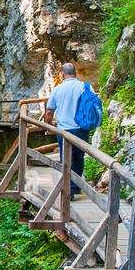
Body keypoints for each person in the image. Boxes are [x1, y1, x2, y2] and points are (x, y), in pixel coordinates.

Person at [44, 63, 93, 195]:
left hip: (64, 130)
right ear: (75, 73)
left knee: (66, 159)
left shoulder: (58, 90)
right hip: (81, 128)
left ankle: (69, 190)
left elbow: (49, 111)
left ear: (62, 75)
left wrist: (48, 126)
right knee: (79, 157)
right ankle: (76, 185)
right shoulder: (85, 87)